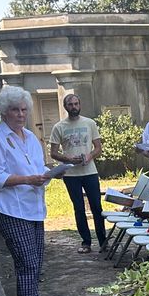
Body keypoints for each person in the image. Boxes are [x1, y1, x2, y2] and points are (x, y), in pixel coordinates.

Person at [0, 86, 55, 296]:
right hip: (10, 209)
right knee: (27, 263)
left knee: (35, 265)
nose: (21, 114)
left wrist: (48, 175)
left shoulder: (31, 138)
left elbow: (38, 169)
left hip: (34, 208)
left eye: (24, 109)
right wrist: (27, 179)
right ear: (4, 112)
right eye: (15, 109)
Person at [48, 93, 106, 253]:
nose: (74, 107)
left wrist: (90, 155)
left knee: (96, 206)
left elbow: (98, 148)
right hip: (71, 174)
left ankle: (103, 241)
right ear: (65, 107)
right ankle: (86, 242)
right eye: (70, 104)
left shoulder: (90, 123)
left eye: (76, 104)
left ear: (80, 105)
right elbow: (53, 153)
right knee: (79, 208)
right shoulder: (59, 127)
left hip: (90, 171)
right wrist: (68, 158)